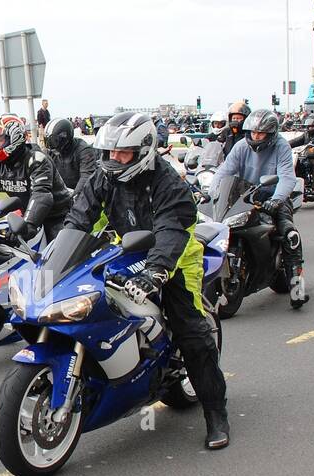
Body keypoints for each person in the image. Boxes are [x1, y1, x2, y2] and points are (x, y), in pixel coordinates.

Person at [65, 112, 229, 450]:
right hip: (127, 249)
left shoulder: (168, 183)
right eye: (110, 153)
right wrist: (58, 255)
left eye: (122, 153)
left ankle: (216, 414)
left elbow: (171, 230)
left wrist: (156, 272)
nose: (114, 159)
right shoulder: (105, 175)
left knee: (191, 333)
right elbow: (81, 214)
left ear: (143, 152)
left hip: (176, 259)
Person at [212, 109, 308, 311]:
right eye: (253, 132)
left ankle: (297, 288)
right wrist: (212, 192)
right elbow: (225, 170)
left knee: (289, 234)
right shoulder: (241, 146)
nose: (255, 136)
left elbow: (286, 177)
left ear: (271, 134)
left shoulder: (281, 146)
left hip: (272, 196)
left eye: (261, 133)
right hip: (244, 195)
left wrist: (277, 199)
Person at [0, 119, 72, 242]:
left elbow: (41, 195)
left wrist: (28, 224)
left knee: (56, 256)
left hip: (57, 216)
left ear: (14, 139)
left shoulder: (36, 160)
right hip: (27, 213)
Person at [44, 117, 98, 191]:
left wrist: (75, 196)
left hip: (80, 193)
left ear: (64, 138)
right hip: (61, 192)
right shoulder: (50, 151)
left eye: (54, 141)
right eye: (48, 141)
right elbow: (43, 172)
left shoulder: (84, 150)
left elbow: (86, 177)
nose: (50, 145)